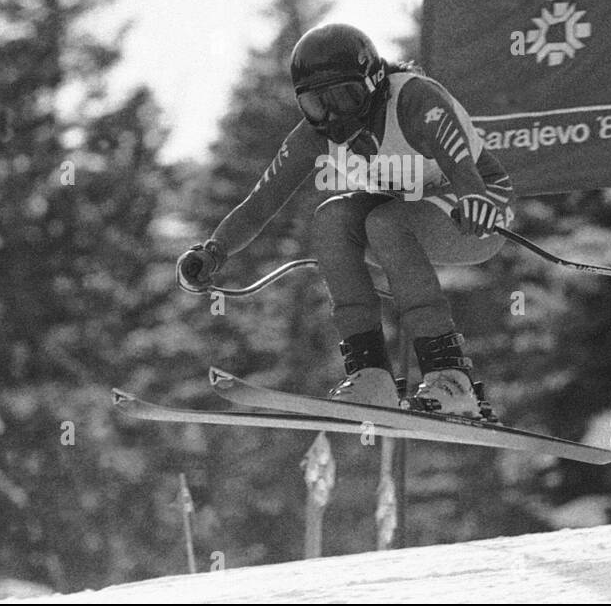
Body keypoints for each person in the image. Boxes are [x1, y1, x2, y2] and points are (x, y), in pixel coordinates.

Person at [176, 22, 514, 418]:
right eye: (317, 104)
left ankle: (451, 378)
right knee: (333, 217)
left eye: (346, 96)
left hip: (480, 213)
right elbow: (261, 202)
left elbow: (462, 168)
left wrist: (475, 199)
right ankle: (371, 375)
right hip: (410, 214)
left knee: (386, 223)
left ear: (374, 82)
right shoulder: (316, 134)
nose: (334, 115)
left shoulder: (413, 100)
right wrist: (213, 251)